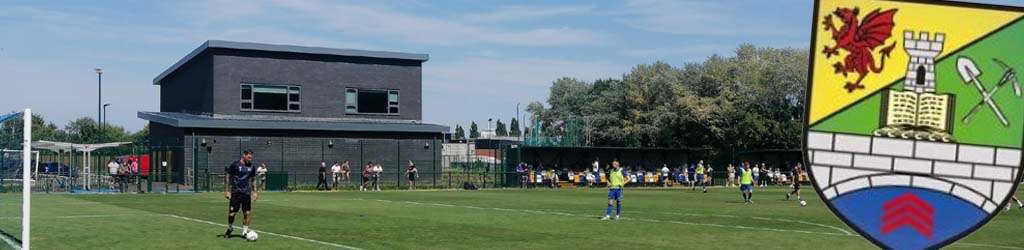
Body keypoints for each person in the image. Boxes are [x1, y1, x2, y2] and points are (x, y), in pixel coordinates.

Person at [224, 149, 258, 238]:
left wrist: (255, 192)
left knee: (247, 213)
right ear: (244, 155)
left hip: (246, 193)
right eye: (249, 157)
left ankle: (245, 232)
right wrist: (227, 191)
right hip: (236, 193)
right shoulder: (235, 165)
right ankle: (230, 228)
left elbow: (254, 179)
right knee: (232, 214)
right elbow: (228, 176)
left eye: (251, 158)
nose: (250, 159)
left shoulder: (252, 166)